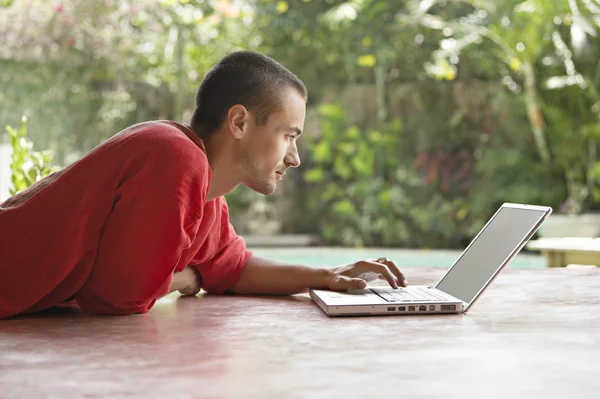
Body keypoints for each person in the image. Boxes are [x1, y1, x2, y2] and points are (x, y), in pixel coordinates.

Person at [0, 51, 406, 319]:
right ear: (240, 122)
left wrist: (327, 276)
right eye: (289, 135)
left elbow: (233, 269)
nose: (294, 157)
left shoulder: (207, 195)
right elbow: (118, 298)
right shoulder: (174, 157)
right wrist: (186, 279)